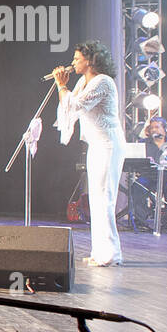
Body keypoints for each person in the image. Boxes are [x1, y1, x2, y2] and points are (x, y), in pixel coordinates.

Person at [54, 41, 126, 266]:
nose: (73, 63)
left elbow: (75, 106)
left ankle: (111, 254)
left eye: (77, 59)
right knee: (95, 199)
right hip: (95, 145)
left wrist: (61, 86)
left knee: (105, 197)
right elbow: (68, 110)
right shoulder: (81, 82)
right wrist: (62, 88)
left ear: (90, 60)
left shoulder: (103, 81)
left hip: (108, 144)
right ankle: (100, 252)